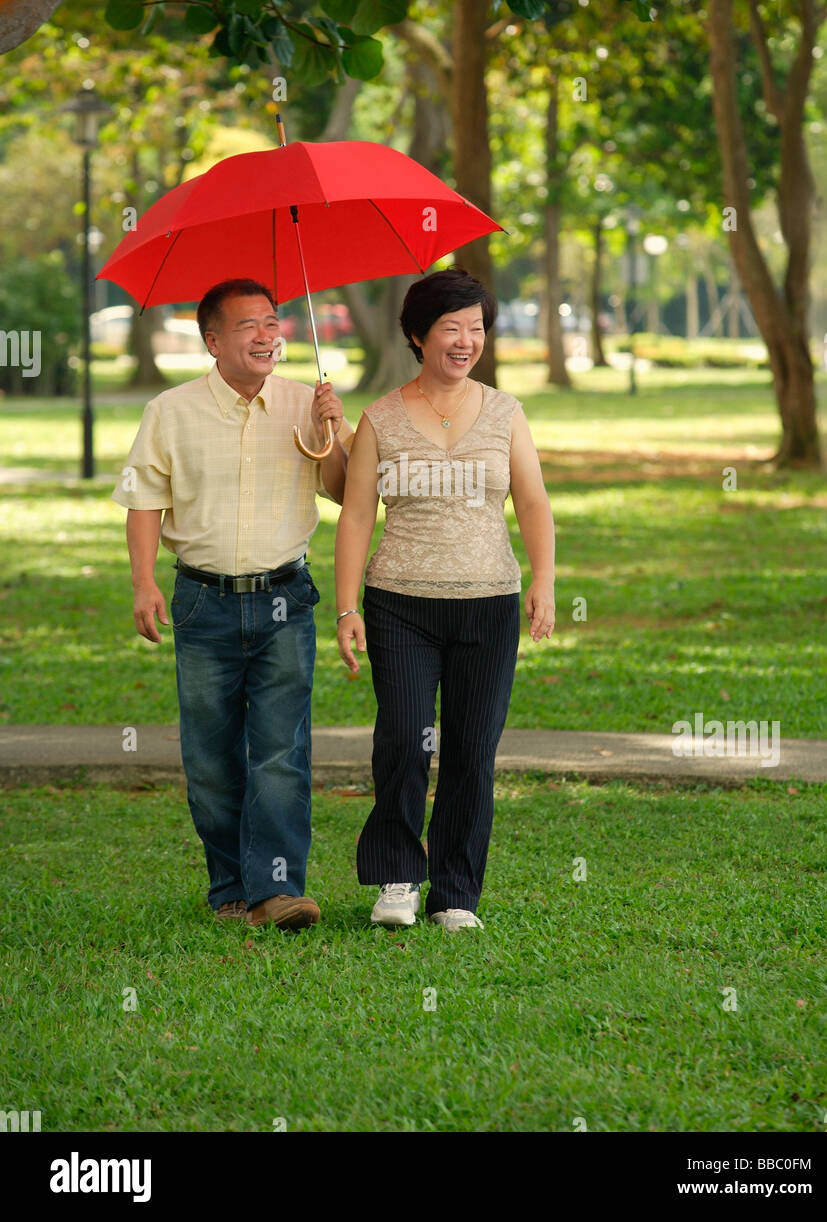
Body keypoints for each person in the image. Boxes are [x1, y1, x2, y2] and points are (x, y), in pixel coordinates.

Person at [112, 279, 352, 932]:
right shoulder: (171, 411)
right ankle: (231, 889)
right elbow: (142, 500)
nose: (266, 334)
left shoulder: (308, 402)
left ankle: (278, 890)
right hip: (202, 602)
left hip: (285, 601)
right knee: (212, 757)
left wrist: (335, 429)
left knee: (280, 750)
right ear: (213, 340)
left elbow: (343, 491)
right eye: (249, 325)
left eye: (273, 322)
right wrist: (144, 582)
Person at [334, 267, 555, 931]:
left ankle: (455, 892)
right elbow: (353, 515)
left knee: (471, 749)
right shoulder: (380, 417)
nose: (466, 341)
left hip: (488, 603)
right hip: (399, 602)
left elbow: (534, 500)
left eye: (477, 328)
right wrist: (347, 608)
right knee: (403, 737)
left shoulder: (506, 412)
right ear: (416, 335)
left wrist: (543, 579)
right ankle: (398, 876)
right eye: (451, 328)